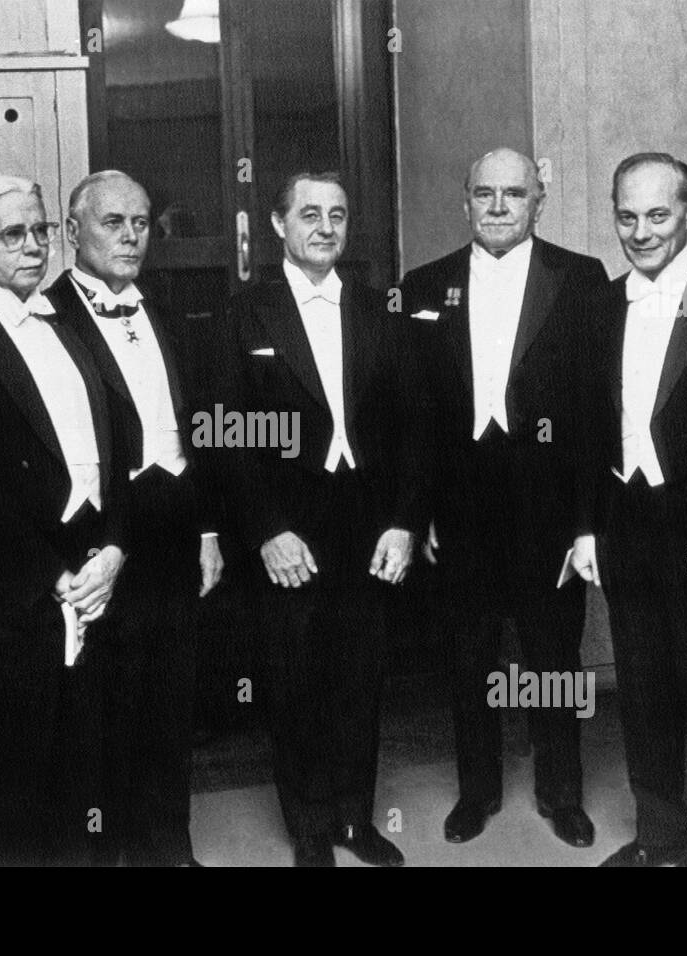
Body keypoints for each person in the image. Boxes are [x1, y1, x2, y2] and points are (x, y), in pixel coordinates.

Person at [214, 172, 428, 866]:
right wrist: (267, 530)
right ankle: (309, 830)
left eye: (338, 214)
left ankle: (353, 820)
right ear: (278, 225)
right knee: (294, 683)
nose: (326, 227)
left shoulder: (378, 309)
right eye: (310, 214)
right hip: (288, 529)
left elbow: (413, 431)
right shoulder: (243, 315)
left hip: (364, 525)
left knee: (359, 680)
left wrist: (403, 521)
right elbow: (226, 434)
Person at [399, 147, 609, 849]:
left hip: (547, 510)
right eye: (484, 193)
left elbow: (592, 415)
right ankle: (477, 792)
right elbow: (417, 415)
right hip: (460, 508)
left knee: (554, 659)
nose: (497, 206)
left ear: (537, 201)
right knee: (469, 659)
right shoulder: (423, 286)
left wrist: (585, 527)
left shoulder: (580, 280)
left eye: (512, 194)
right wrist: (417, 511)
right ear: (465, 201)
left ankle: (562, 793)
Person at [0, 174, 128, 864]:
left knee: (84, 778)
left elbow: (116, 447)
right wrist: (57, 576)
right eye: (14, 234)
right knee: (11, 793)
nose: (36, 246)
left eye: (40, 230)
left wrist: (113, 551)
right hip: (14, 593)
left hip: (93, 579)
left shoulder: (66, 320)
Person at [45, 171, 223, 867]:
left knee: (170, 704)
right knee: (102, 710)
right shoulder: (45, 315)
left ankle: (169, 850)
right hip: (101, 540)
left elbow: (198, 426)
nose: (129, 236)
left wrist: (208, 529)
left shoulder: (169, 312)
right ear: (73, 230)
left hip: (176, 529)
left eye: (141, 223)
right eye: (112, 221)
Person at [579, 153, 687, 866]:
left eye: (658, 214)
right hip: (625, 522)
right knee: (642, 688)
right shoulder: (599, 304)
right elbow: (584, 429)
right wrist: (586, 527)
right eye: (626, 216)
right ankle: (658, 837)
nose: (641, 231)